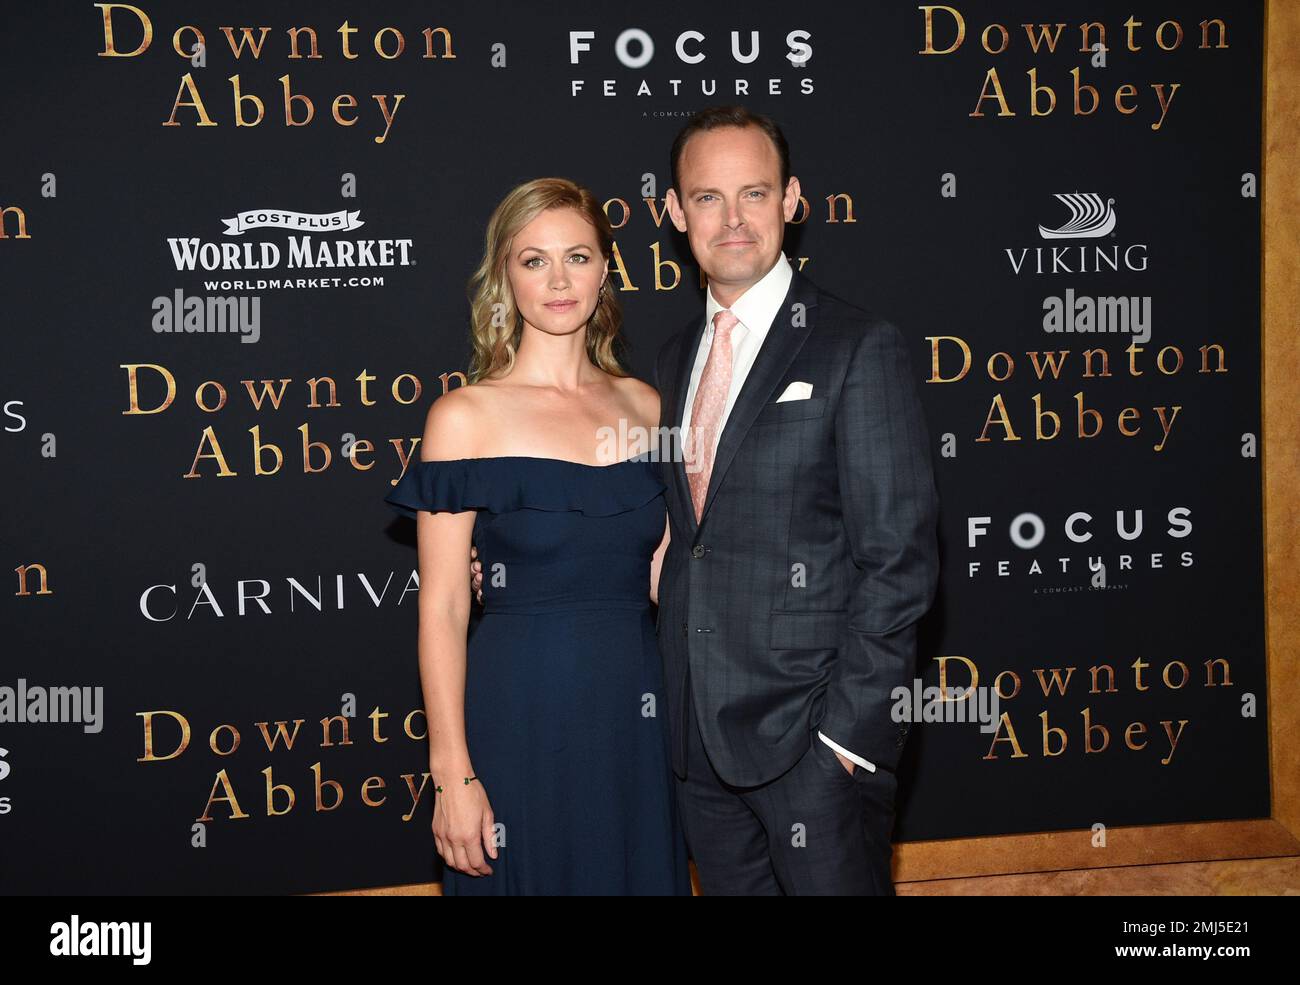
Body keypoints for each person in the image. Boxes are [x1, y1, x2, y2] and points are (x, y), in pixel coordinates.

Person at [478, 107, 941, 894]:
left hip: (813, 750)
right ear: (673, 211)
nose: (732, 220)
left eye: (753, 194)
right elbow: (683, 539)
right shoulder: (674, 356)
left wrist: (848, 739)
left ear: (791, 200)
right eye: (707, 198)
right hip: (693, 751)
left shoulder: (856, 346)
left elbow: (899, 560)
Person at [385, 177, 691, 895]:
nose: (559, 279)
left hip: (637, 719)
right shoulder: (463, 418)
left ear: (606, 269)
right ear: (504, 277)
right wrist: (452, 773)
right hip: (518, 716)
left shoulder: (648, 407)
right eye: (534, 260)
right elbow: (443, 611)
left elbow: (672, 579)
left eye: (577, 256)